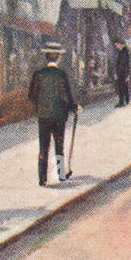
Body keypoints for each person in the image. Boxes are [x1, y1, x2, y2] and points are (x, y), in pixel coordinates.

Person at [28, 42, 80, 186]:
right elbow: (66, 96)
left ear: (46, 57)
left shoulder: (38, 74)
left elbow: (32, 96)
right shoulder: (61, 75)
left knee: (43, 147)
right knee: (59, 145)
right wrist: (74, 107)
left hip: (43, 116)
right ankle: (61, 174)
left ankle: (42, 179)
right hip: (59, 116)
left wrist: (41, 105)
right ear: (58, 58)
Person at [113, 38, 131, 107]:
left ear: (119, 44)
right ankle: (121, 101)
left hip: (124, 72)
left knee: (125, 87)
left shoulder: (126, 51)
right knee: (120, 87)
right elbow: (117, 64)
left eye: (116, 45)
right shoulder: (119, 52)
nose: (116, 47)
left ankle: (126, 100)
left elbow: (128, 64)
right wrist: (116, 73)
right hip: (119, 72)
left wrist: (128, 75)